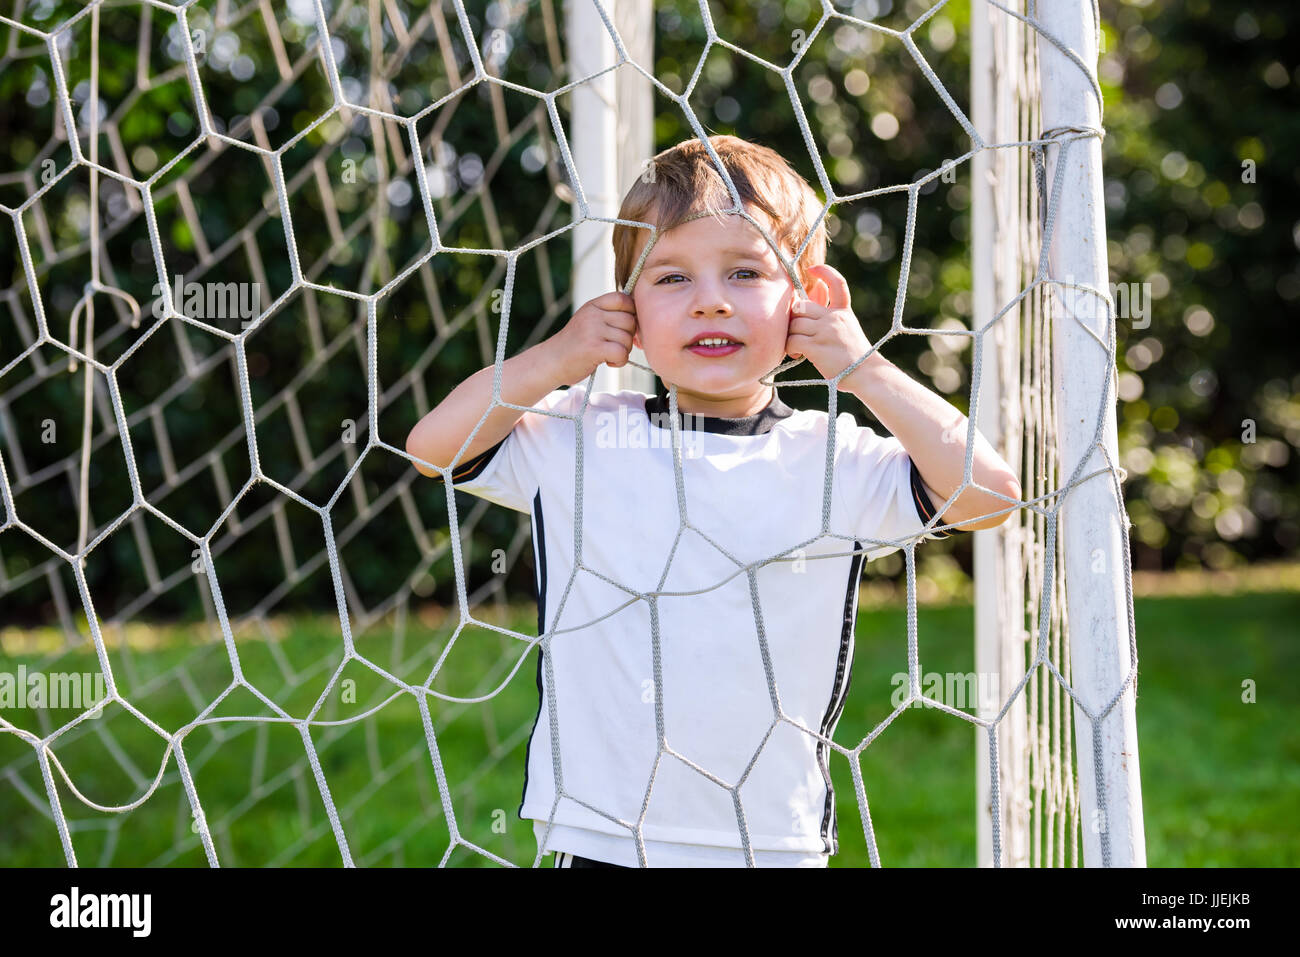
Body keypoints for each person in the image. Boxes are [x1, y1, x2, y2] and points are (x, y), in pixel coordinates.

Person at [405, 134, 1021, 867]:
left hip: (769, 840)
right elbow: (431, 447)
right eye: (670, 279)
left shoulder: (834, 458)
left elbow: (989, 493)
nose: (710, 303)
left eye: (744, 270)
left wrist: (866, 371)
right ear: (625, 309)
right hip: (602, 835)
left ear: (808, 297)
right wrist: (557, 358)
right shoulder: (580, 437)